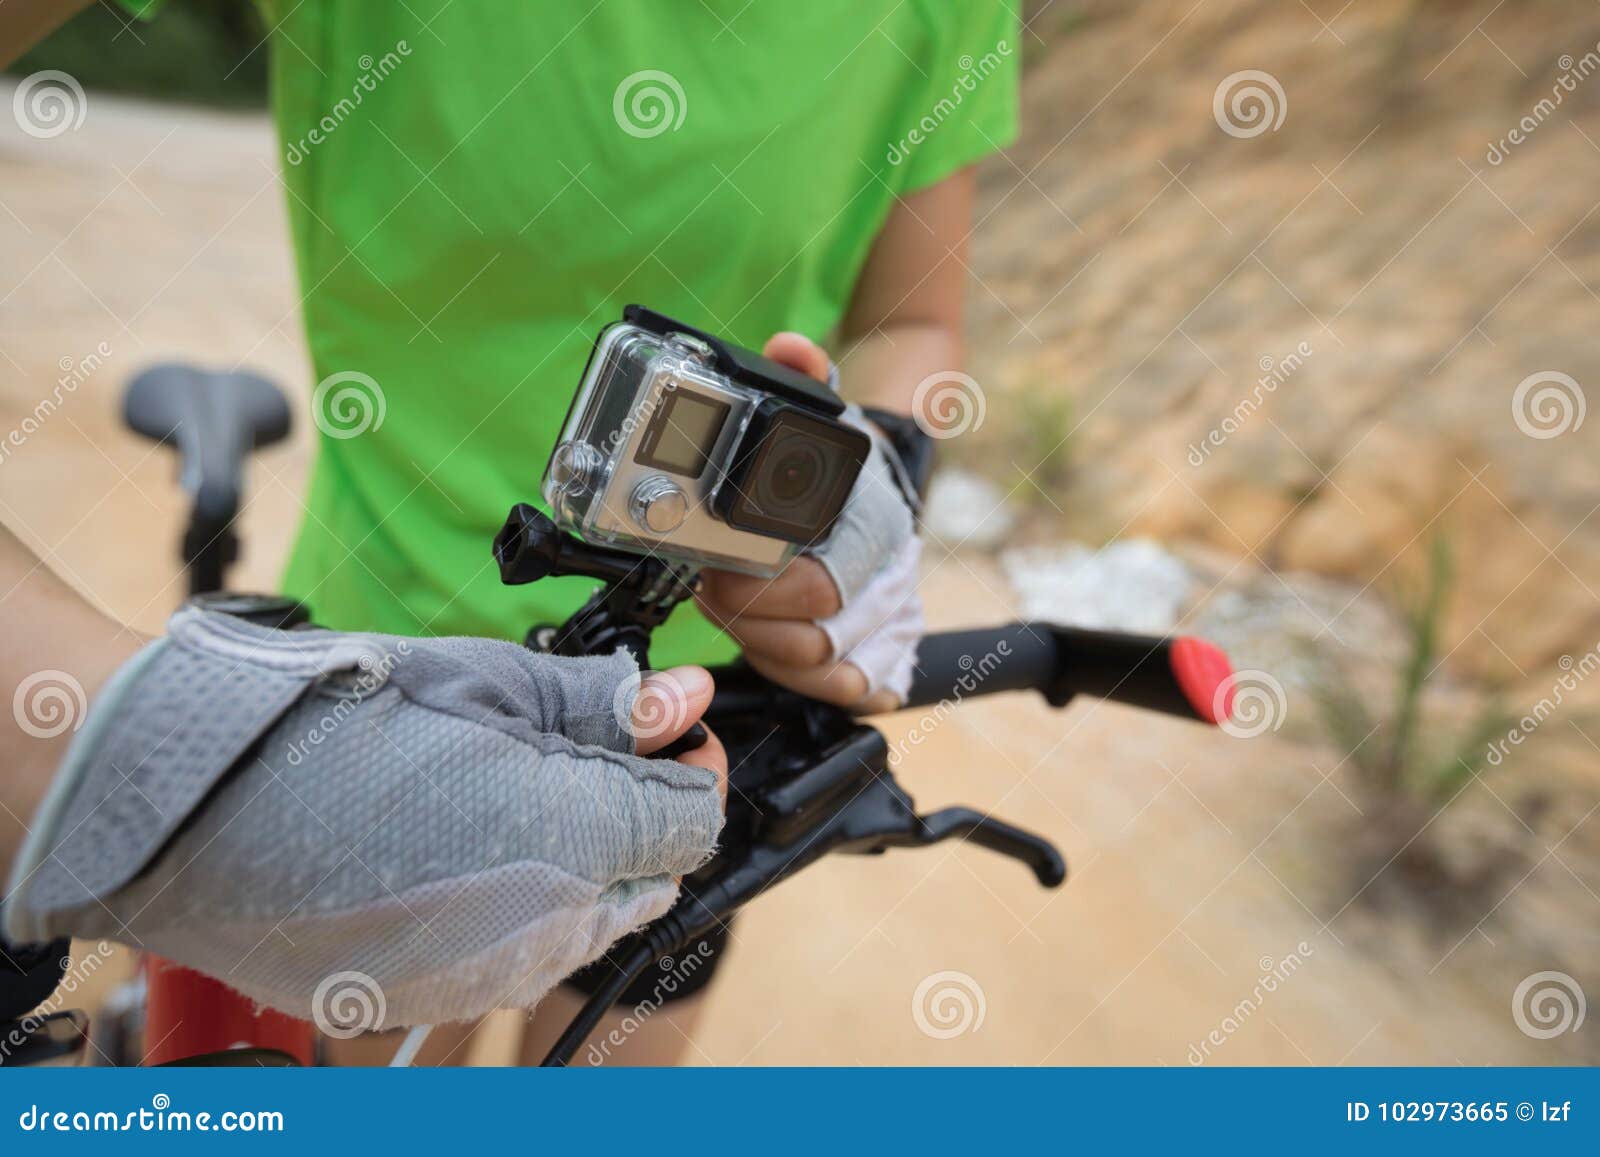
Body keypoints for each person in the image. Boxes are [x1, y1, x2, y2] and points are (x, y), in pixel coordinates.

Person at [0, 0, 1021, 1063]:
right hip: (364, 696)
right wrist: (60, 743)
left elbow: (909, 318)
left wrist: (885, 467)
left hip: (703, 727)